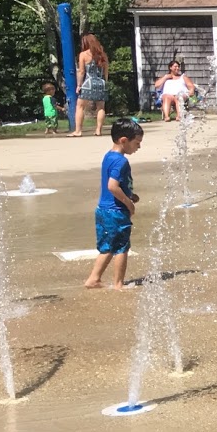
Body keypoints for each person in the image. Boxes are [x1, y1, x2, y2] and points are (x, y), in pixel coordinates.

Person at [84, 119, 143, 290]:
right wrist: (129, 204)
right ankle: (119, 284)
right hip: (116, 211)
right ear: (124, 140)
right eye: (137, 143)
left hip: (103, 210)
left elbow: (118, 184)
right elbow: (112, 186)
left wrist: (131, 194)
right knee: (122, 247)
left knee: (107, 247)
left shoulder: (109, 156)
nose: (138, 147)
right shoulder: (121, 161)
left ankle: (93, 279)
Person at [72, 33, 110, 137]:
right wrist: (105, 82)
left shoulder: (83, 55)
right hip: (101, 83)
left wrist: (79, 85)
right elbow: (106, 71)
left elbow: (81, 72)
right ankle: (98, 130)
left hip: (88, 82)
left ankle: (78, 131)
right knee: (101, 107)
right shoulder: (103, 55)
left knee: (80, 106)